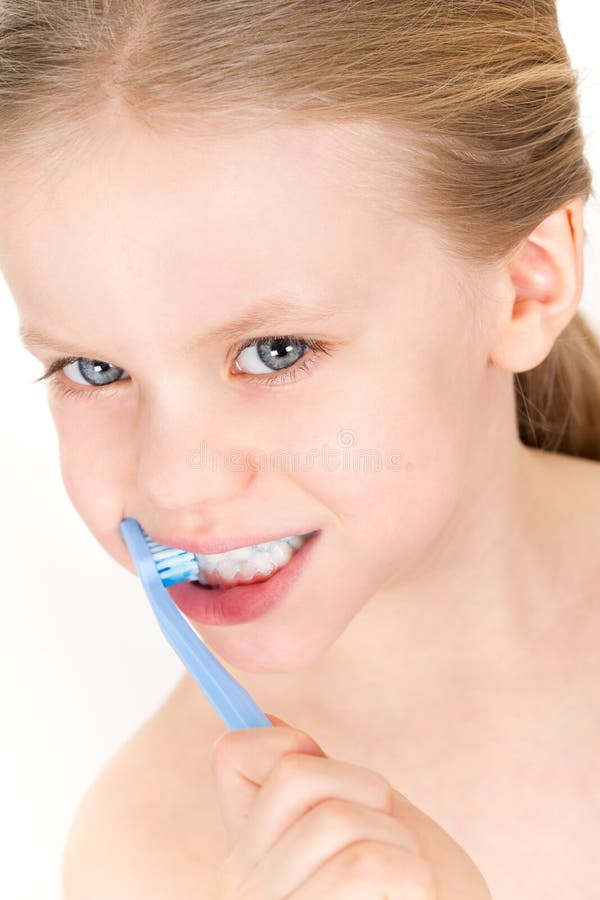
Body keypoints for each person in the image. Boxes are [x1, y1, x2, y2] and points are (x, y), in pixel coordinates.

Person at [0, 1, 598, 897]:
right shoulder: (156, 857)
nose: (173, 480)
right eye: (95, 367)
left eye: (274, 352)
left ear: (524, 289)